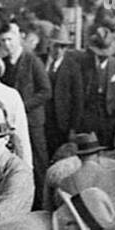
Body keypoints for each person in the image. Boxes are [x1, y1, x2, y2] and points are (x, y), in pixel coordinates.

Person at [0, 23, 51, 203]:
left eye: (10, 39)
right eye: (3, 41)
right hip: (12, 123)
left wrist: (21, 107)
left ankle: (43, 202)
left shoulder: (32, 61)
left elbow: (45, 91)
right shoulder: (4, 65)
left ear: (18, 38)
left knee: (39, 161)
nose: (7, 44)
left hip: (33, 121)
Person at [54, 29, 115, 148]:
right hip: (89, 112)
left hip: (109, 114)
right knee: (89, 145)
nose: (103, 56)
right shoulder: (83, 63)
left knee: (107, 145)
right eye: (100, 54)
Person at [39, 23, 75, 159]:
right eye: (56, 45)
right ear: (49, 44)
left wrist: (73, 128)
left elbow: (78, 99)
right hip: (41, 119)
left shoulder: (72, 67)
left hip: (61, 121)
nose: (59, 50)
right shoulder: (38, 61)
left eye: (63, 47)